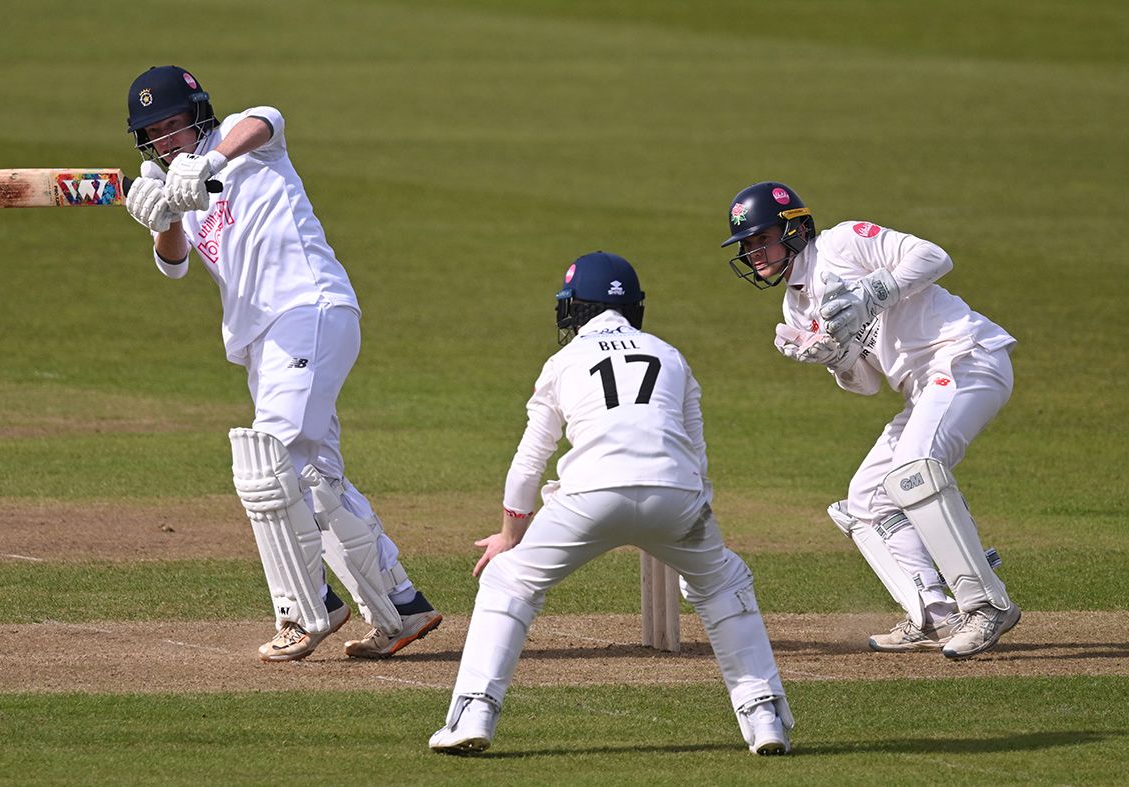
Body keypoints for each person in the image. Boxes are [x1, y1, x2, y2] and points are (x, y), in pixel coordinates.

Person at [120, 65, 441, 662]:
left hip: (307, 310)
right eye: (154, 133)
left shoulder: (239, 144)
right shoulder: (178, 193)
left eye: (173, 124)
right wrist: (165, 219)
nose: (166, 140)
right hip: (263, 341)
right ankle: (400, 606)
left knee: (269, 464)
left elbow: (269, 117)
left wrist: (206, 165)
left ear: (198, 115)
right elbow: (174, 265)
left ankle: (307, 607)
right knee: (315, 475)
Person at [430, 252, 793, 756]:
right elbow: (696, 454)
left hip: (590, 496)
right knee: (724, 583)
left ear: (574, 309)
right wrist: (697, 529)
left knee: (506, 580)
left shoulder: (563, 362)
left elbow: (528, 462)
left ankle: (474, 712)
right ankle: (765, 718)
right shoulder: (670, 354)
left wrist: (510, 538)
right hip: (678, 496)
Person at [721, 181, 1019, 659]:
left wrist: (871, 293)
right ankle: (932, 611)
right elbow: (866, 384)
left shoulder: (841, 243)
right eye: (747, 245)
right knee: (866, 499)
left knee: (914, 469)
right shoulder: (795, 306)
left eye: (762, 239)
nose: (755, 253)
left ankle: (986, 605)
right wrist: (835, 358)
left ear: (795, 229)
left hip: (964, 356)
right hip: (921, 387)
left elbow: (934, 256)